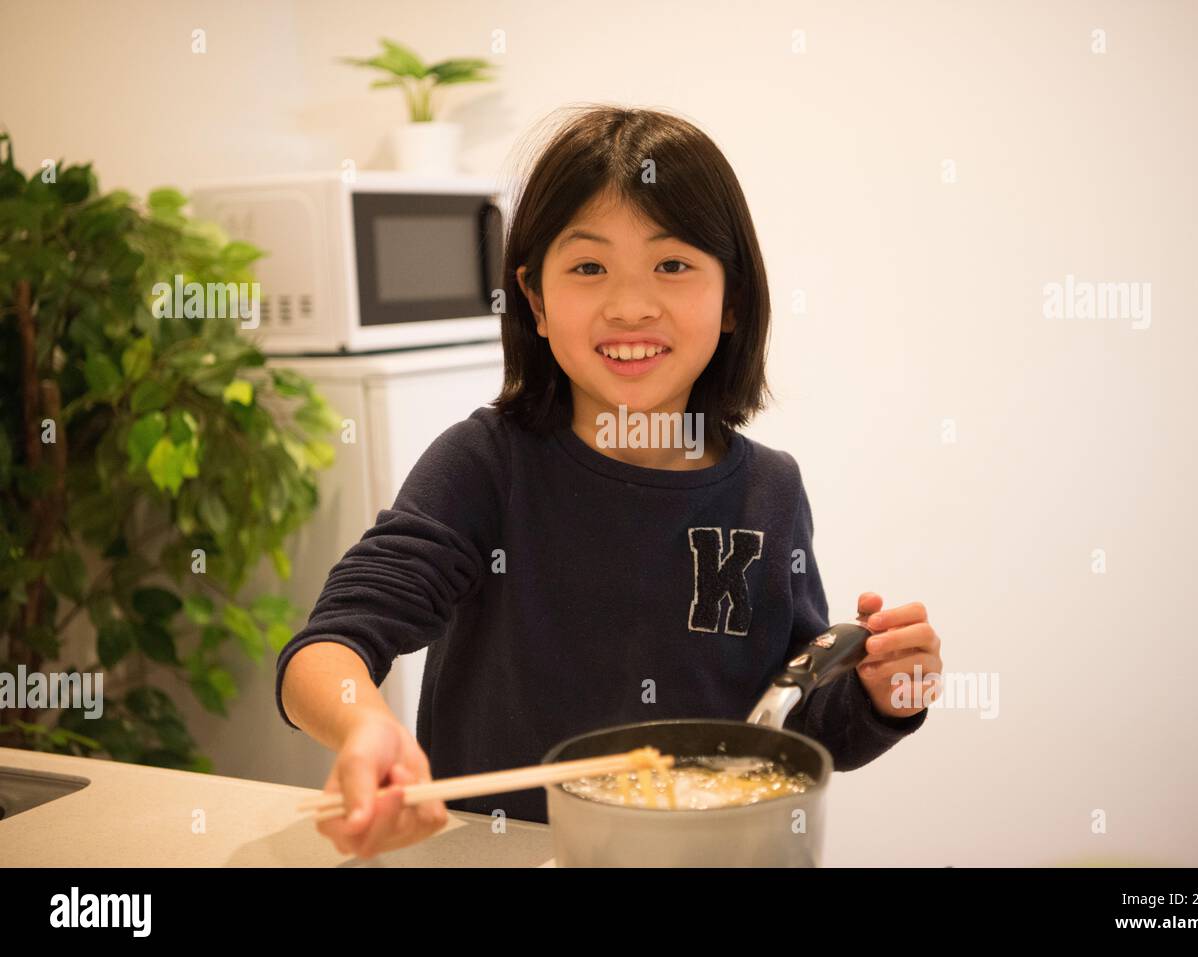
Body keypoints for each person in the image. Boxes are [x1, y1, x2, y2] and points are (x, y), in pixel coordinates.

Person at [276, 104, 943, 860]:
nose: (629, 307)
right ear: (535, 299)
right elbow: (327, 648)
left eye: (673, 265)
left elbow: (788, 719)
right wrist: (367, 726)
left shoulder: (771, 490)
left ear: (732, 299)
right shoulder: (486, 465)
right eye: (589, 267)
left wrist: (884, 694)